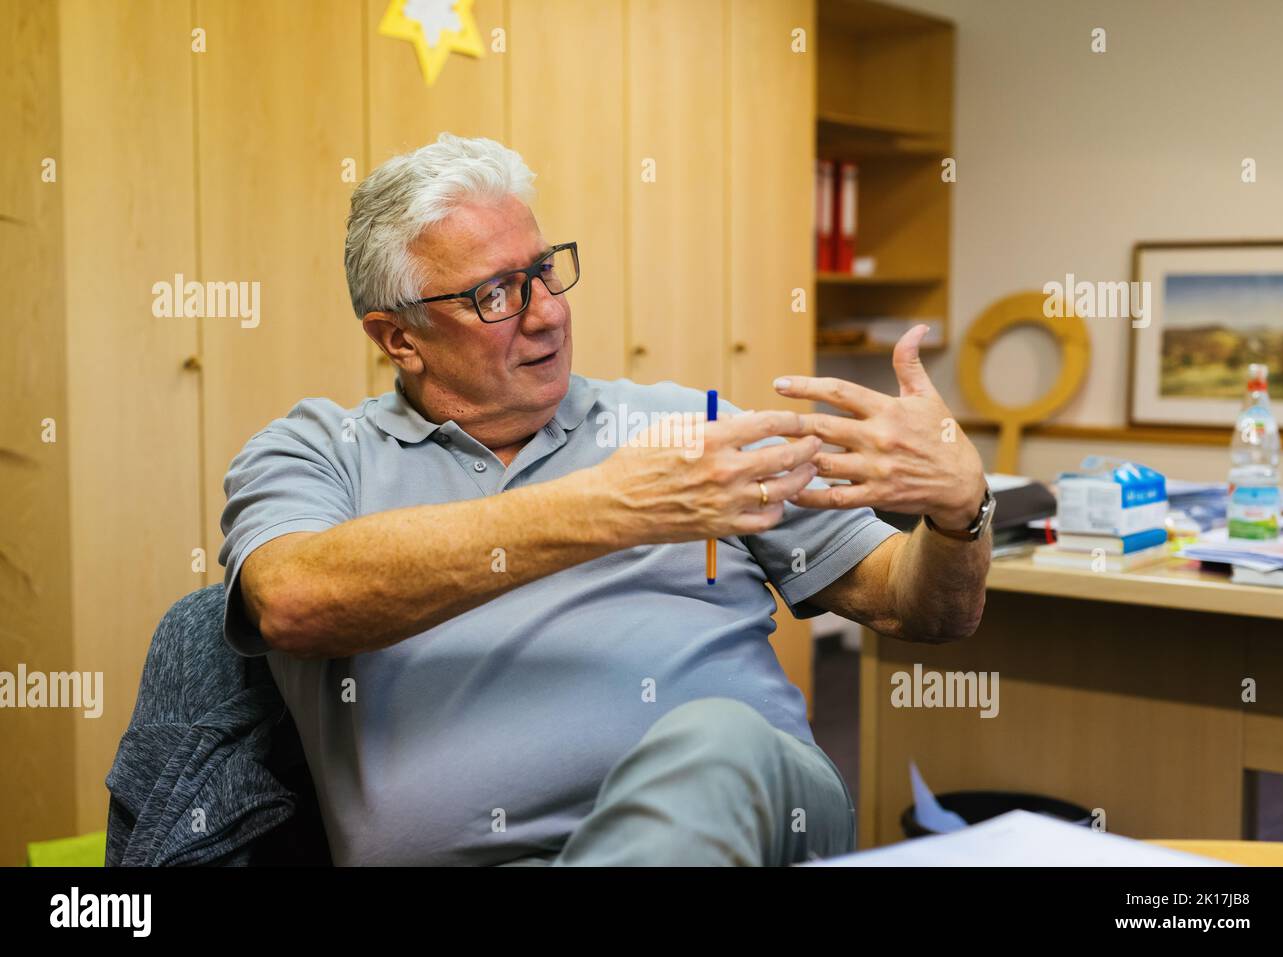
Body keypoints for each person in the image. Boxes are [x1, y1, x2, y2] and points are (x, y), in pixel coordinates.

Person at [218, 133, 991, 866]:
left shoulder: (692, 427)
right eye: (497, 294)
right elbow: (293, 599)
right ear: (399, 338)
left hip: (751, 826)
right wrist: (613, 506)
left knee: (717, 744)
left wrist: (961, 516)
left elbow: (916, 607)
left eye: (545, 270)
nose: (549, 310)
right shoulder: (320, 451)